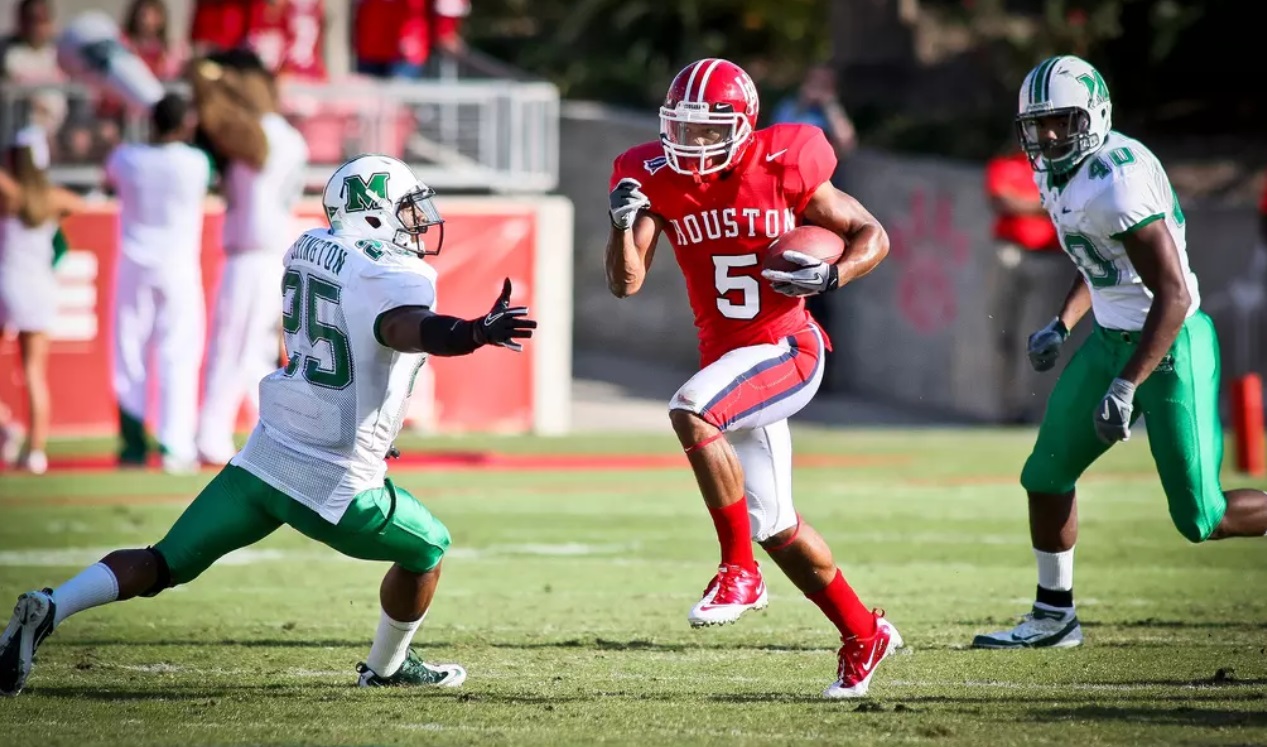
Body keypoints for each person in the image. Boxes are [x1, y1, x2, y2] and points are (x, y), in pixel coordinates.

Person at [0, 153, 537, 697]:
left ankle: (52, 604)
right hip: (332, 478)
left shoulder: (306, 247)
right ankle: (389, 665)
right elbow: (403, 327)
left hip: (264, 457)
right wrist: (469, 332)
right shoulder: (393, 272)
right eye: (407, 210)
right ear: (373, 212)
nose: (419, 222)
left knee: (163, 561)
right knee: (428, 548)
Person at [606, 58, 895, 699]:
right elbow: (626, 283)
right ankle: (862, 631)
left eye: (706, 130)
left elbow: (870, 232)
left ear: (742, 126)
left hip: (788, 346)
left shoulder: (784, 162)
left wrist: (833, 275)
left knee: (691, 410)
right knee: (778, 526)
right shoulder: (654, 177)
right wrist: (623, 223)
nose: (690, 143)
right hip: (731, 362)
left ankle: (738, 570)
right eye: (679, 129)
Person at [972, 56, 1267, 650]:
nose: (1050, 136)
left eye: (1062, 121)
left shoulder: (1117, 181)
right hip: (1112, 338)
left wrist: (1128, 383)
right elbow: (1101, 262)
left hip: (1172, 343)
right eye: (1040, 124)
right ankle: (1055, 618)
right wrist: (1061, 322)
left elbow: (1175, 294)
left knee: (1200, 519)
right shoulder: (1057, 174)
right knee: (1047, 475)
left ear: (1096, 115)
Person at [189, 50, 309, 465]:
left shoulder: (259, 133)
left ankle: (212, 437)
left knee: (232, 350)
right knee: (253, 354)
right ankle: (288, 431)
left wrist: (207, 80)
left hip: (253, 256)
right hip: (274, 252)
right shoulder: (290, 135)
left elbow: (216, 121)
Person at [104, 93, 212, 473]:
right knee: (178, 355)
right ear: (185, 124)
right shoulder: (197, 162)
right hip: (179, 267)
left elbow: (108, 180)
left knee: (128, 353)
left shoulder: (126, 158)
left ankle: (133, 446)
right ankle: (175, 447)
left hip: (135, 264)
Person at [0, 127, 82, 474]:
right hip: (40, 289)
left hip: (7, 285)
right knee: (34, 373)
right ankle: (36, 451)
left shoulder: (9, 194)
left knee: (32, 372)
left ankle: (6, 425)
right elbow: (78, 205)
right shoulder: (53, 198)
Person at [984, 143, 1068, 423]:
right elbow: (1003, 201)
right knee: (1003, 333)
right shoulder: (1004, 164)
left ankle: (1036, 407)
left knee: (1038, 336)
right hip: (1010, 252)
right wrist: (1042, 204)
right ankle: (1008, 407)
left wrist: (1027, 204)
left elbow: (1064, 204)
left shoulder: (1056, 167)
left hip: (1046, 258)